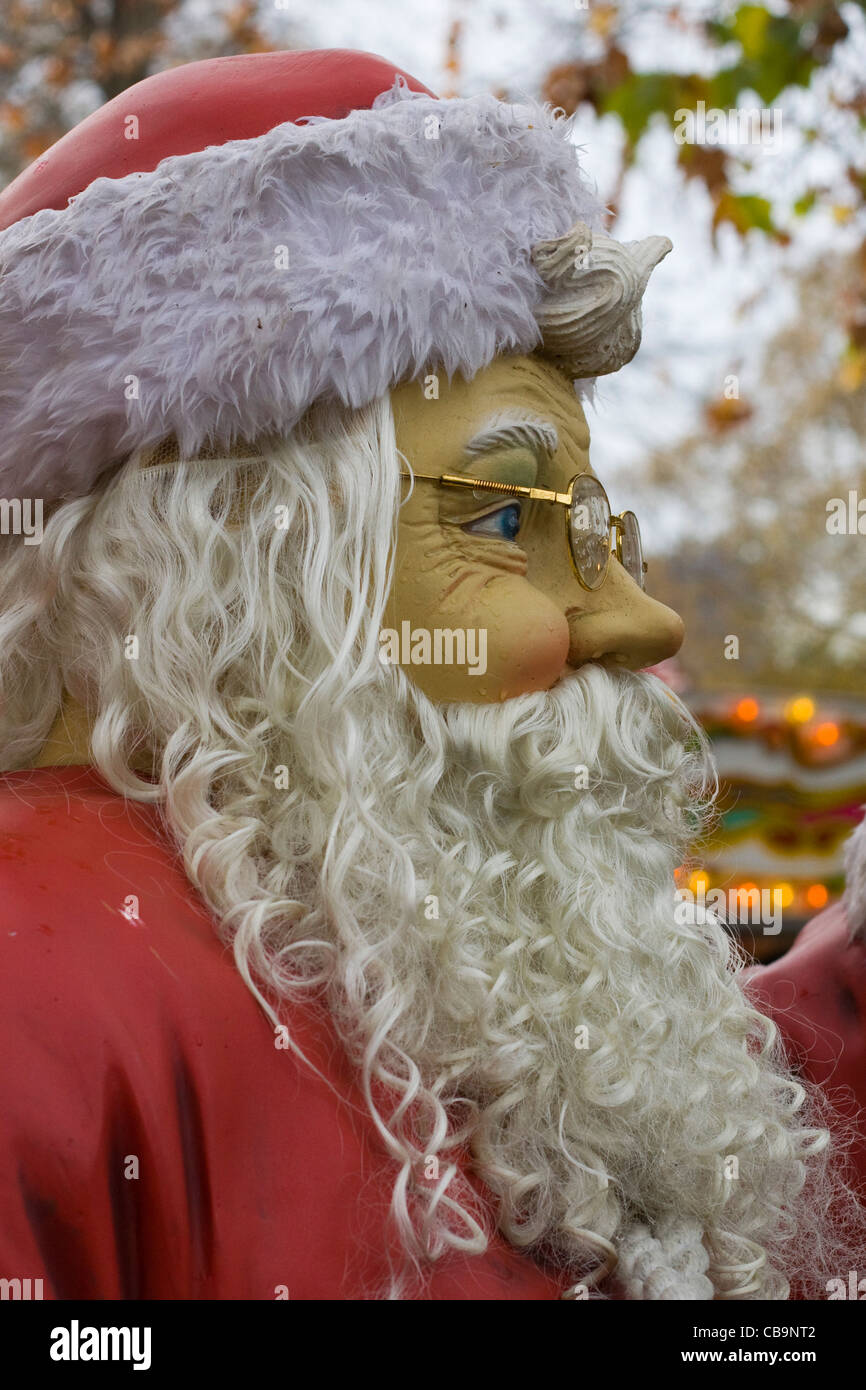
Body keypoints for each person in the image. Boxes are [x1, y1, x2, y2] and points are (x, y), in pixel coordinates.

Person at [0, 48, 863, 1302]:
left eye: (601, 534)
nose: (639, 620)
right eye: (505, 520)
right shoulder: (42, 975)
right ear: (222, 563)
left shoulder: (378, 921)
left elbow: (711, 1179)